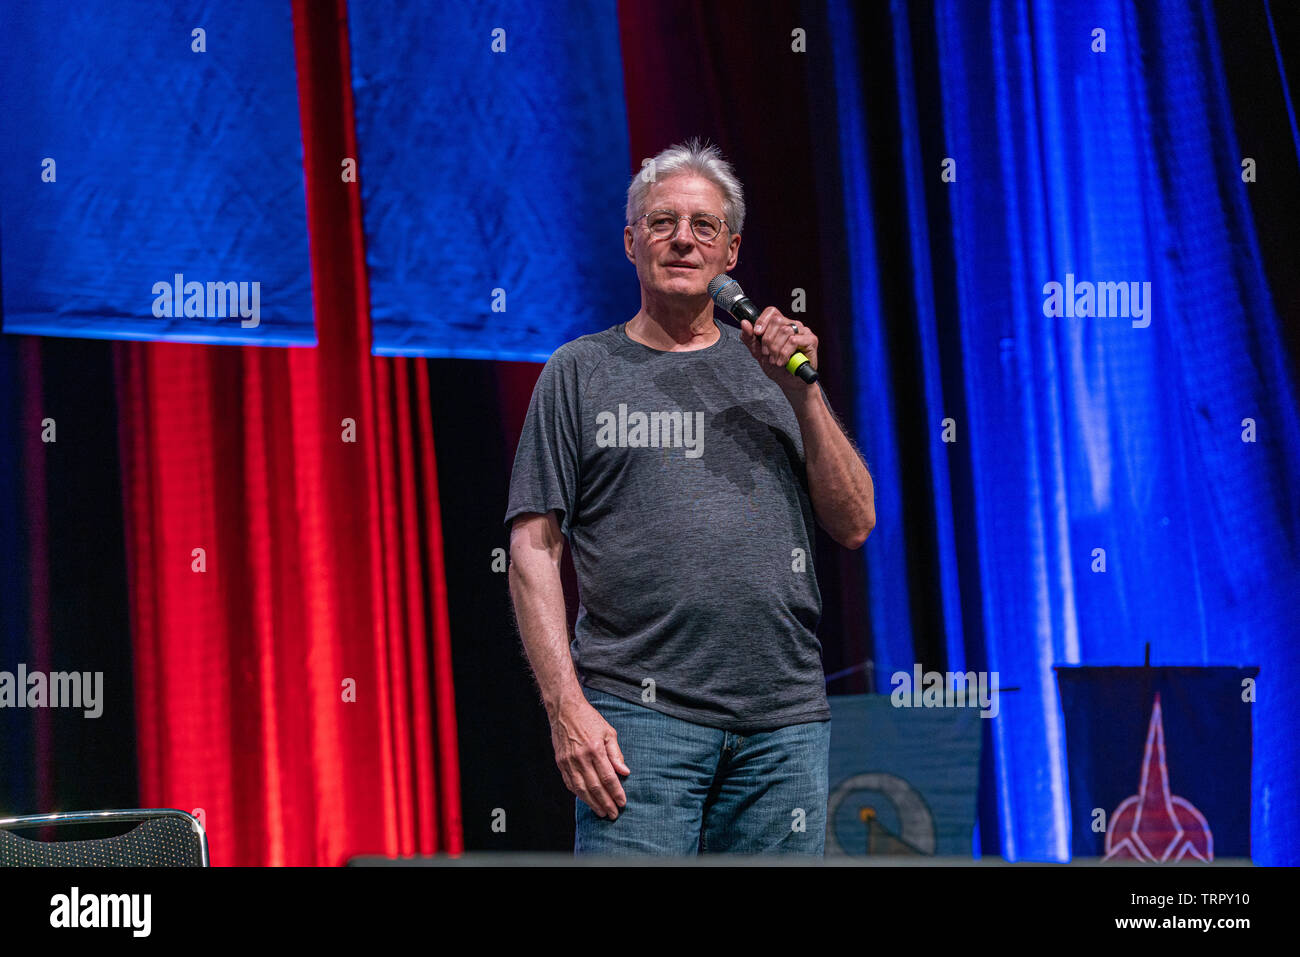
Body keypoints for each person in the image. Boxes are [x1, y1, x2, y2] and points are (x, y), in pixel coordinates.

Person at [504, 138, 875, 856]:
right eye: (662, 221)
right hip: (638, 724)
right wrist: (565, 708)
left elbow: (855, 521)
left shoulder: (776, 371)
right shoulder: (579, 372)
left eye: (704, 226)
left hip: (783, 725)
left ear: (731, 251)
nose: (682, 238)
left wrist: (803, 395)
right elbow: (532, 548)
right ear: (630, 241)